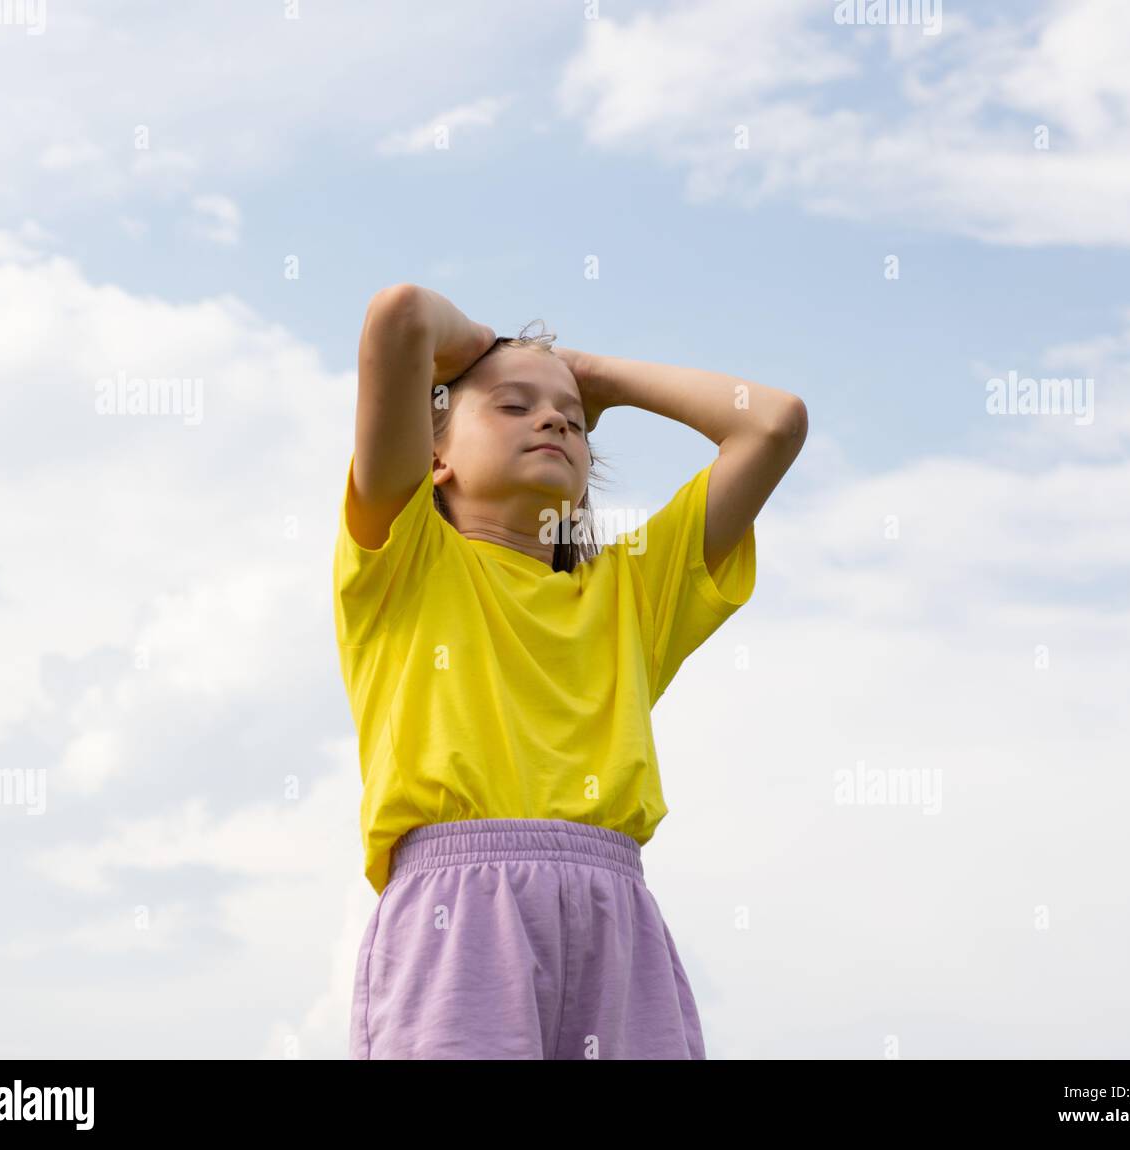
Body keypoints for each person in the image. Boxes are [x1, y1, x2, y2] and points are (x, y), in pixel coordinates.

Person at [335, 283, 807, 1058]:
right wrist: (498, 351)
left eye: (573, 417)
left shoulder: (630, 592)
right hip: (458, 914)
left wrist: (595, 373)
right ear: (434, 455)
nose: (554, 417)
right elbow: (400, 316)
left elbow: (772, 422)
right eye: (512, 407)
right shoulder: (402, 559)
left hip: (616, 916)